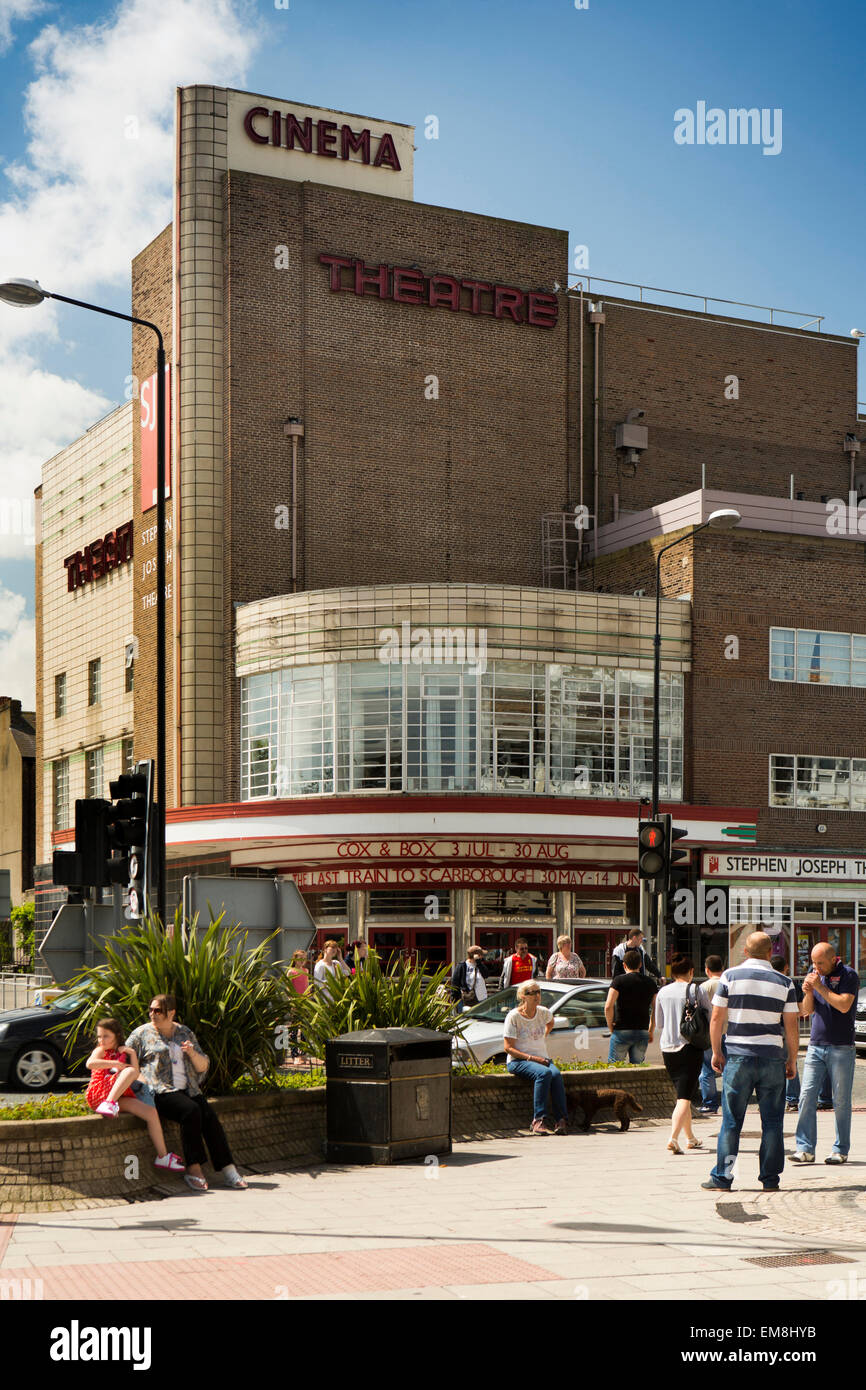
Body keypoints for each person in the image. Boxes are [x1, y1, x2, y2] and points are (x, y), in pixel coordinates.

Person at [701, 932, 800, 1193]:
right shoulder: (785, 982)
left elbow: (716, 1019)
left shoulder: (730, 976)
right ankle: (769, 1179)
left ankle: (723, 1176)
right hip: (772, 1059)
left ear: (745, 952)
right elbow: (791, 1026)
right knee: (772, 1122)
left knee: (732, 1121)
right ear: (770, 953)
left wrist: (716, 1052)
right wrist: (792, 1059)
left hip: (738, 1058)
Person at [126, 995, 248, 1193]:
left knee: (209, 1116)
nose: (152, 1014)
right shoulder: (141, 1034)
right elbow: (125, 1060)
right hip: (160, 1090)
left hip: (189, 1088)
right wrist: (141, 1078)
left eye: (158, 1011)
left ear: (171, 1012)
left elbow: (203, 1066)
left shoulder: (185, 1032)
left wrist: (191, 1053)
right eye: (151, 1010)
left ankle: (228, 1169)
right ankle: (194, 1168)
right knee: (191, 1111)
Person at [85, 1018, 185, 1174]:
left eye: (106, 1036)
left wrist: (131, 1053)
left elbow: (136, 1074)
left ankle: (163, 1156)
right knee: (129, 1071)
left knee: (151, 1113)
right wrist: (114, 1065)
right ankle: (109, 1103)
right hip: (98, 1094)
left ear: (117, 1035)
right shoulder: (101, 1050)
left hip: (116, 1095)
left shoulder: (123, 1052)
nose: (101, 1040)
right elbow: (90, 1064)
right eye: (99, 1036)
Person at [791, 942, 858, 1165]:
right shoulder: (814, 975)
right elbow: (807, 1010)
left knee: (840, 1100)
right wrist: (808, 992)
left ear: (832, 959)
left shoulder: (848, 975)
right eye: (813, 962)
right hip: (815, 1044)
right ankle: (805, 1148)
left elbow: (844, 1005)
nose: (815, 967)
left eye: (820, 963)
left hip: (841, 1046)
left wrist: (819, 987)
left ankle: (840, 1149)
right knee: (806, 1096)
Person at [654, 955, 709, 1153]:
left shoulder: (663, 992)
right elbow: (708, 1014)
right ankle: (673, 1137)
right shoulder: (696, 989)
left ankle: (690, 1137)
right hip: (689, 1045)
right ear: (691, 971)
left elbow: (659, 1023)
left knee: (682, 1093)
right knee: (684, 1097)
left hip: (667, 1047)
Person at [503, 981, 568, 1136]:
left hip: (542, 1058)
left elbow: (550, 1023)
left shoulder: (543, 1012)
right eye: (532, 993)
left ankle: (561, 1120)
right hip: (519, 1061)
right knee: (544, 1074)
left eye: (539, 992)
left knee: (556, 1075)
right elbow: (508, 1047)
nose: (537, 996)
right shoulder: (514, 1016)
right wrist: (532, 1058)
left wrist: (543, 1037)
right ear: (523, 996)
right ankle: (538, 1119)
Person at [604, 948, 657, 1062]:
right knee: (637, 1067)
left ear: (624, 965)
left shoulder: (618, 981)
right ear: (640, 964)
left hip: (622, 1028)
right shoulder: (650, 983)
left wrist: (610, 1026)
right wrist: (651, 1030)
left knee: (614, 1068)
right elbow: (656, 1009)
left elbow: (608, 1006)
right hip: (642, 1030)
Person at [771, 951, 803, 1112]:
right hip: (788, 1027)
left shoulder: (767, 982)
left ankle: (775, 1099)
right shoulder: (791, 984)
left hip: (771, 1027)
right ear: (786, 968)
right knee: (791, 1062)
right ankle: (792, 1100)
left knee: (771, 1064)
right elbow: (801, 1009)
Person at [698, 955, 726, 1114]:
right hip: (729, 1032)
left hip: (709, 1034)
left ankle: (709, 1103)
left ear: (707, 969)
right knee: (730, 1069)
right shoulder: (728, 984)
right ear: (722, 968)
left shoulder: (703, 987)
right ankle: (729, 1102)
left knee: (707, 1069)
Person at [287, 950, 310, 1066]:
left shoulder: (306, 971)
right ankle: (294, 1055)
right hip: (296, 1003)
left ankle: (303, 1054)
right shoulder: (291, 972)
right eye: (300, 958)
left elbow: (307, 987)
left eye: (304, 958)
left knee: (305, 1030)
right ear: (295, 959)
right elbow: (289, 989)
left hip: (305, 1003)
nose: (302, 961)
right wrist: (293, 1002)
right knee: (294, 1031)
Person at [451, 945, 490, 1011]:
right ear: (476, 955)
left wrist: (478, 962)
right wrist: (454, 1000)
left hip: (481, 998)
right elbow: (455, 983)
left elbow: (486, 975)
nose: (482, 957)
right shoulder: (462, 966)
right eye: (481, 955)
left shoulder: (479, 964)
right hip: (467, 1000)